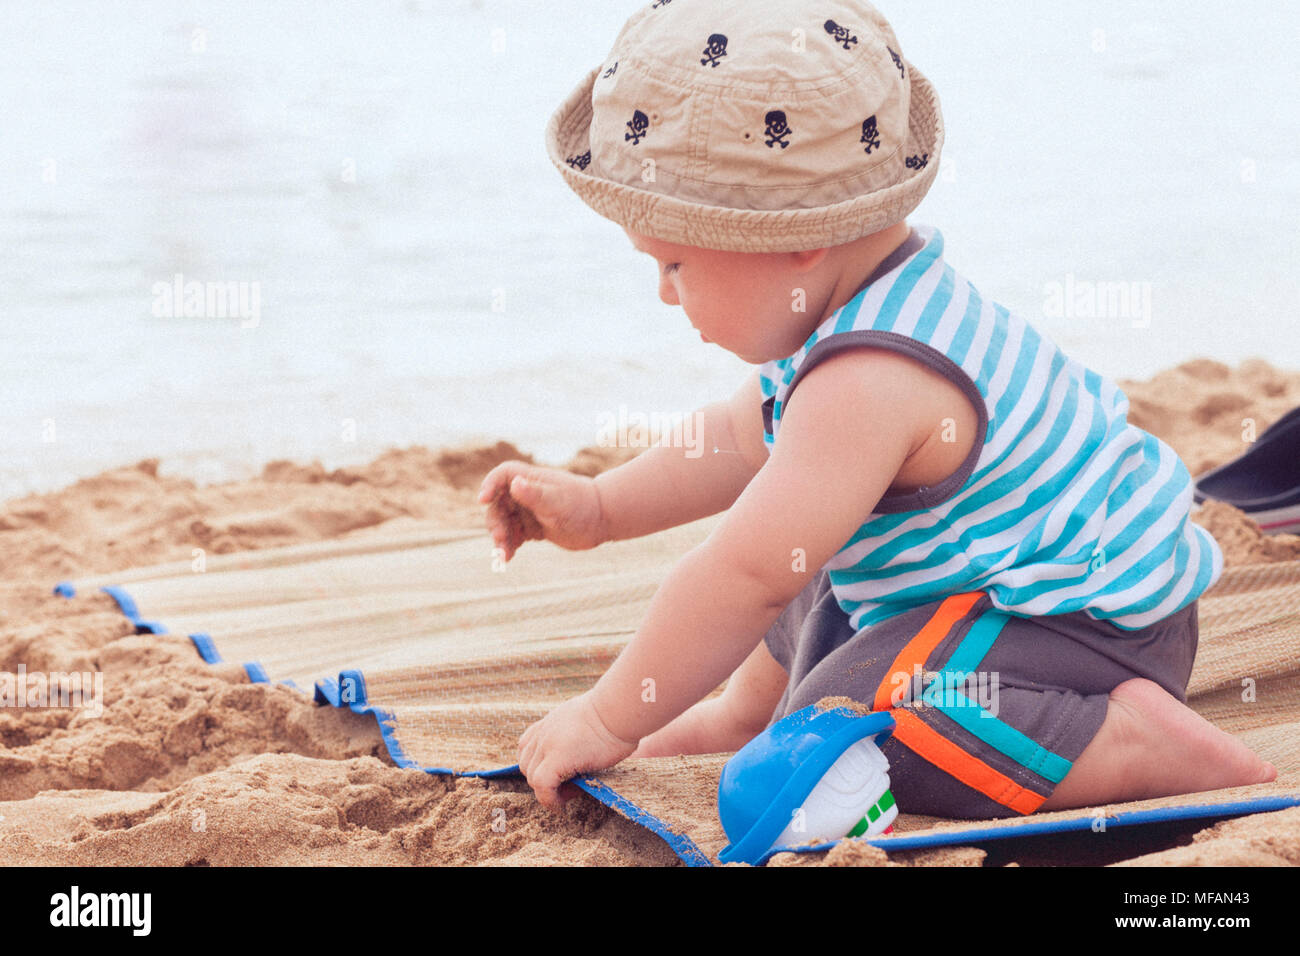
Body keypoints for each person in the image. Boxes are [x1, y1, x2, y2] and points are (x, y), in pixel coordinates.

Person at [479, 0, 1276, 816]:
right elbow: (736, 438)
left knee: (869, 722)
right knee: (809, 545)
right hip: (975, 595)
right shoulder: (850, 304)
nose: (663, 294)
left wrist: (609, 716)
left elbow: (740, 575)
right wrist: (603, 506)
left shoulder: (871, 378)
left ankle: (1130, 742)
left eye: (675, 263)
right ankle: (738, 716)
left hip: (1082, 630)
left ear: (793, 238)